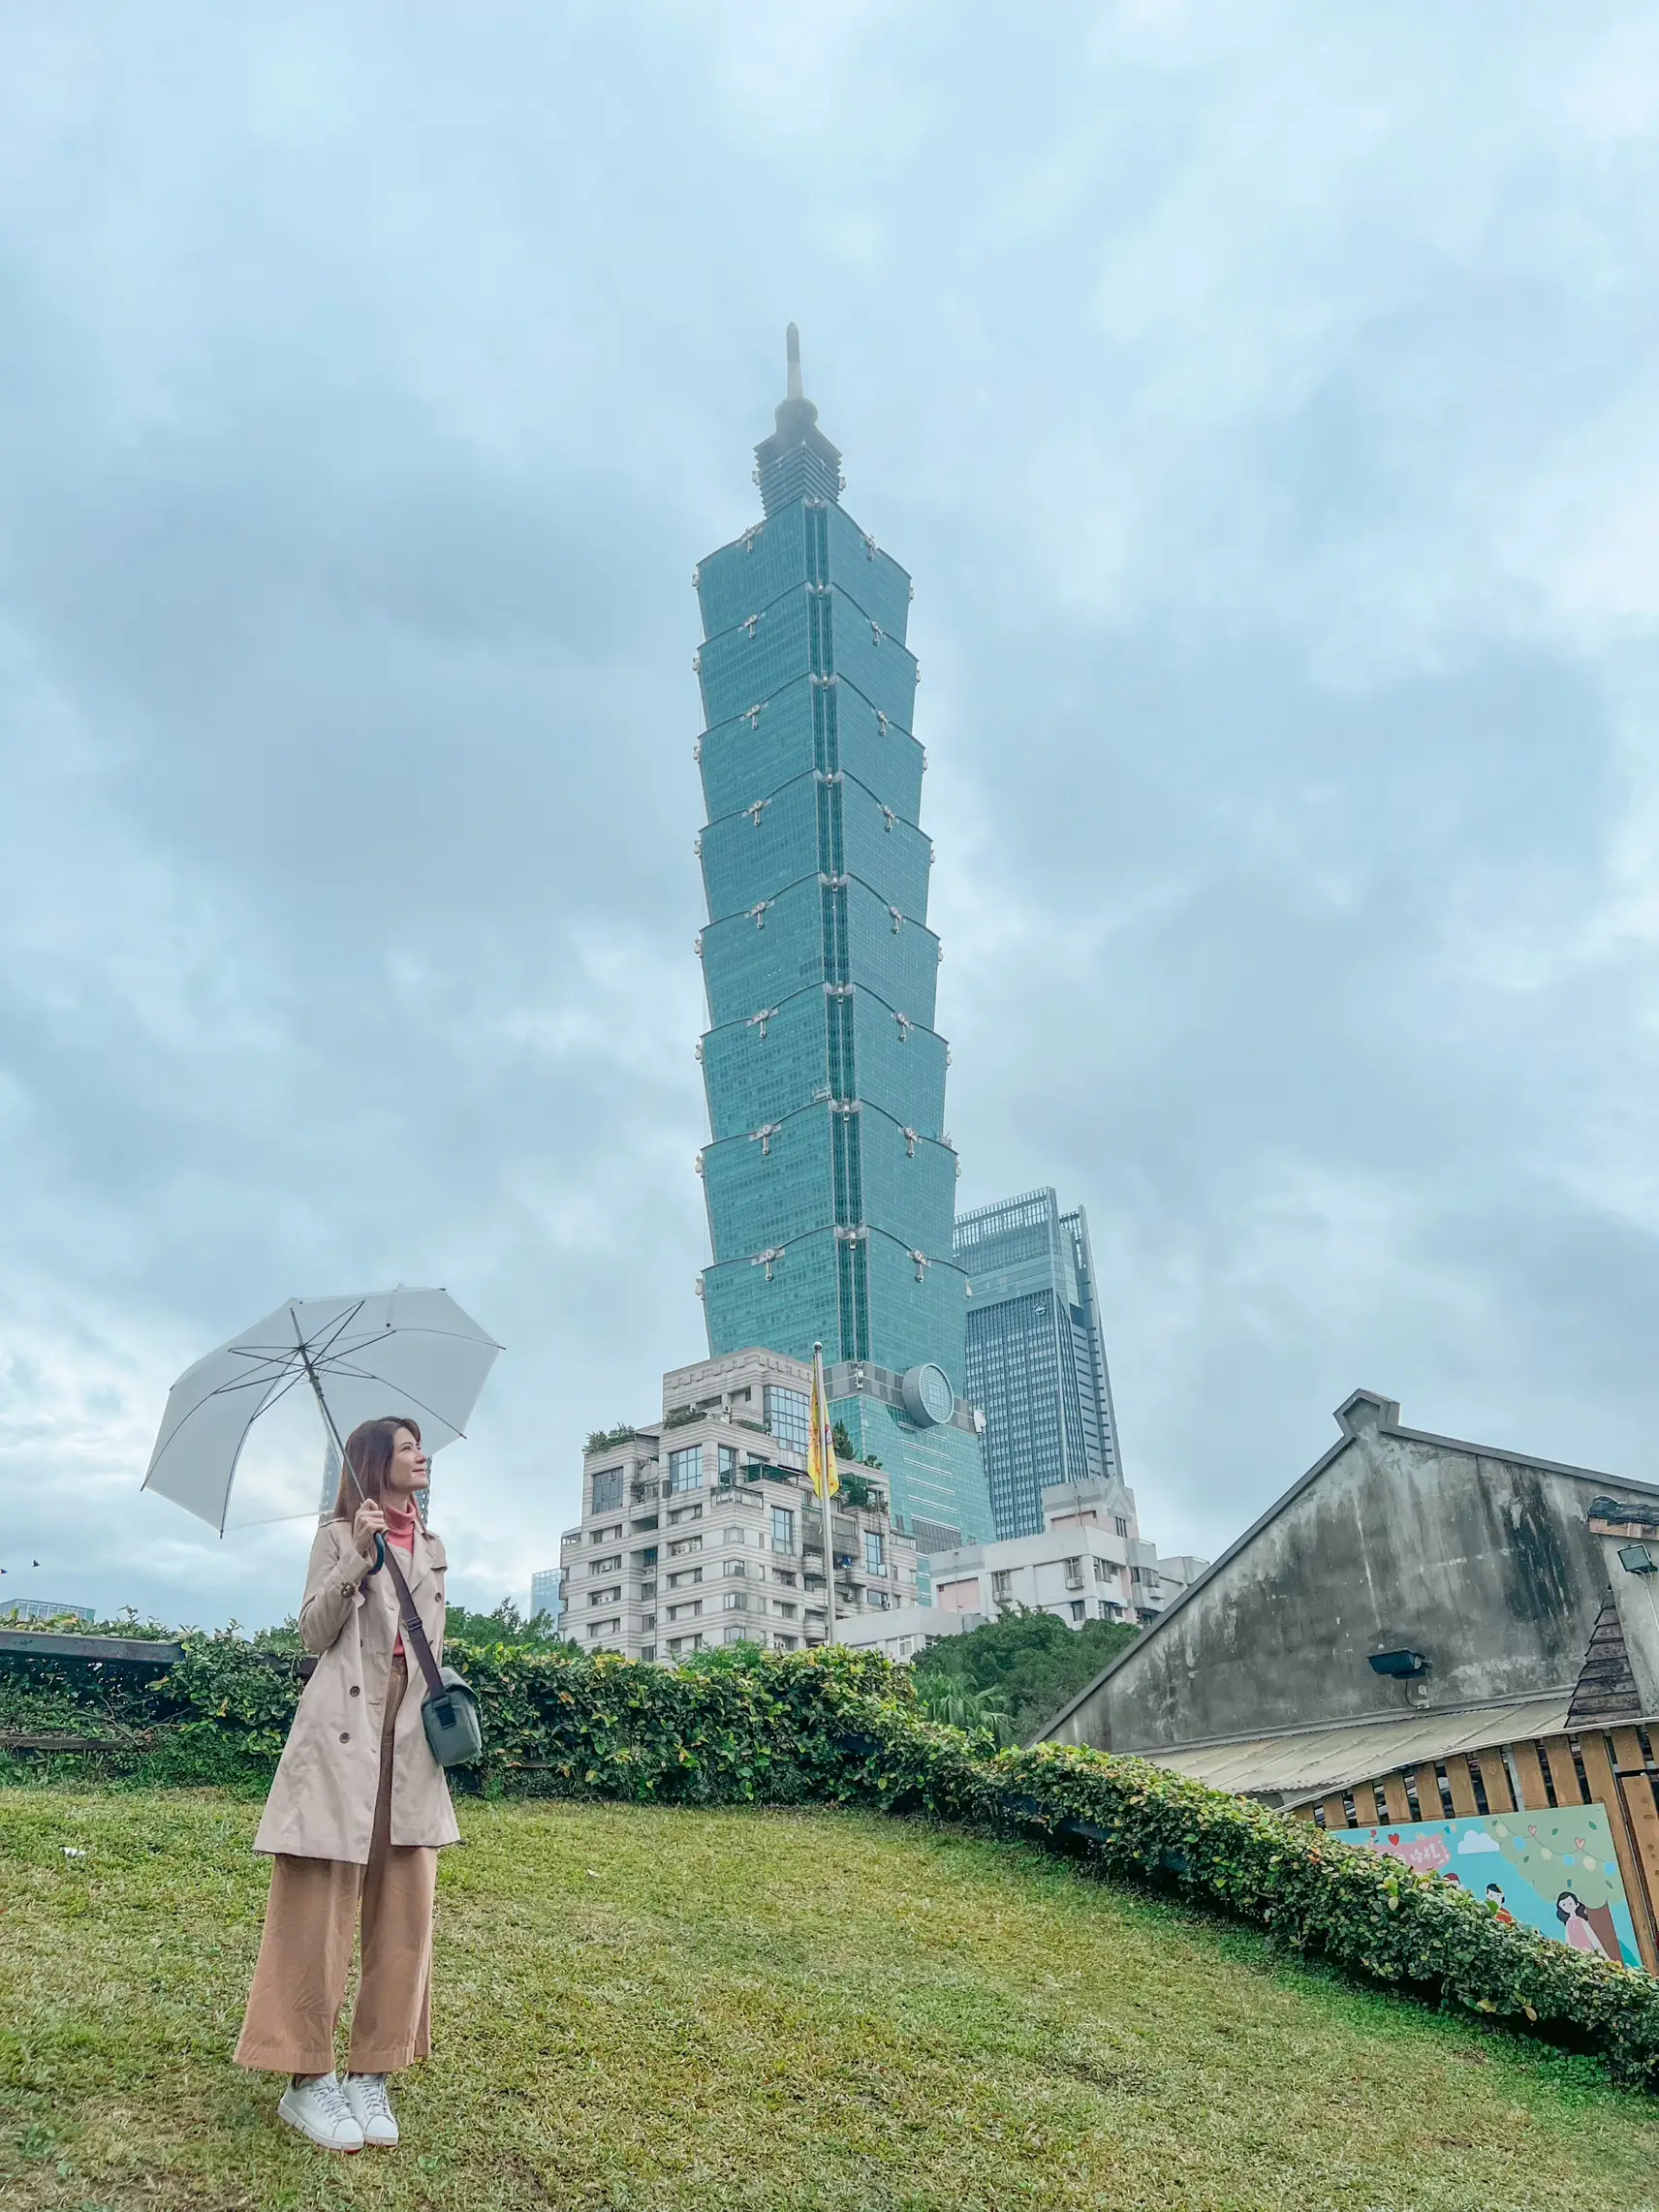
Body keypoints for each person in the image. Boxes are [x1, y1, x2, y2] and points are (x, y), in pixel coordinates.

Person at [234, 1416, 458, 2152]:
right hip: (340, 1725)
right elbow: (313, 1631)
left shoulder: (431, 1545)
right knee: (317, 1899)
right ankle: (305, 2078)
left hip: (410, 1730)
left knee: (405, 1901)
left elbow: (428, 1643)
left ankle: (373, 2070)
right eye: (406, 1446)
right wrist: (356, 1559)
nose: (421, 1456)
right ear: (372, 1461)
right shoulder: (338, 1535)